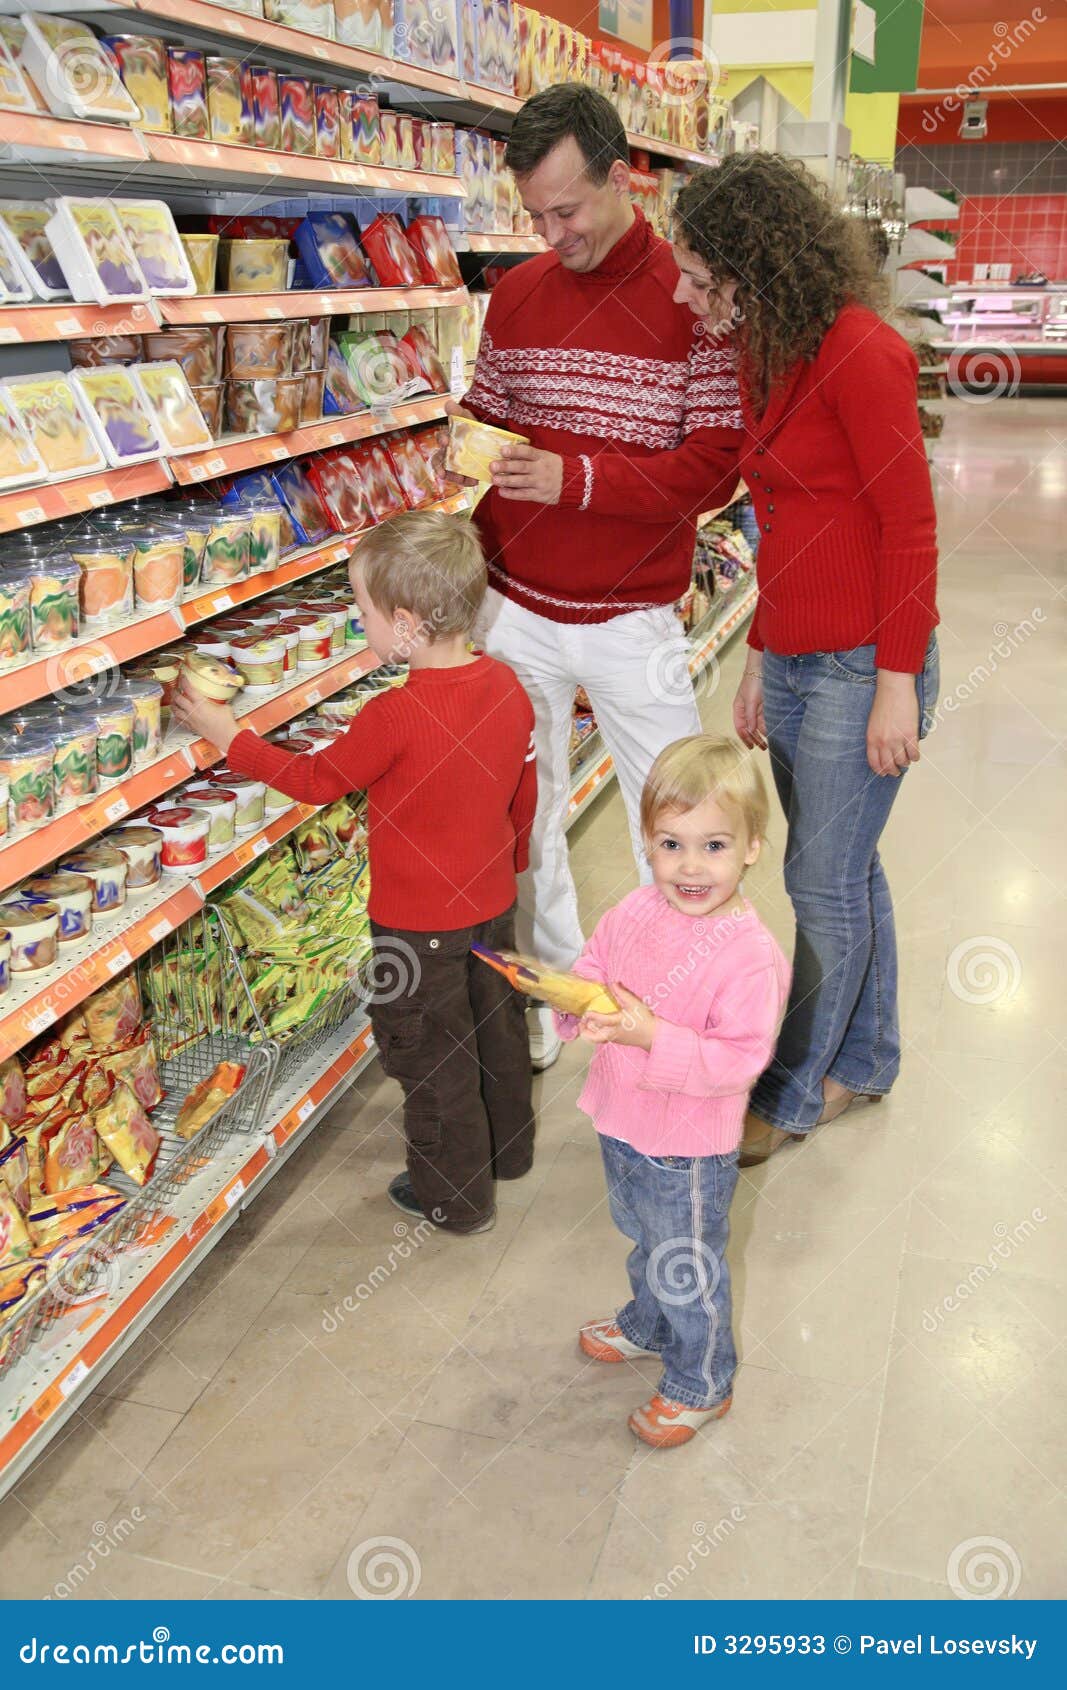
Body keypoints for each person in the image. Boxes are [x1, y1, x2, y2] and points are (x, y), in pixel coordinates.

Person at [450, 83, 743, 1072]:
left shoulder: (687, 294)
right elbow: (484, 433)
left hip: (632, 617)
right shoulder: (519, 292)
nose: (551, 232)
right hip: (513, 608)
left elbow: (713, 464)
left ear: (622, 179)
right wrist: (458, 480)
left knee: (683, 827)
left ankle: (683, 1024)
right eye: (535, 214)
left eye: (566, 210)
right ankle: (552, 1006)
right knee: (520, 822)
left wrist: (573, 479)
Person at [670, 154, 941, 1166]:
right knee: (843, 869)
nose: (682, 293)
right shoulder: (770, 348)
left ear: (758, 264)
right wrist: (753, 658)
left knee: (817, 881)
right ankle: (862, 1060)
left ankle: (785, 1094)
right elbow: (782, 524)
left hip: (863, 666)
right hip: (793, 657)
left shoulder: (862, 353)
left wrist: (895, 680)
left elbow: (907, 528)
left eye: (700, 275)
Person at [172, 510, 538, 1235]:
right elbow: (521, 798)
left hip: (417, 926)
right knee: (495, 1030)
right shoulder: (506, 685)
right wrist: (510, 867)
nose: (358, 621)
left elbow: (314, 779)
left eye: (361, 609)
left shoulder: (394, 715)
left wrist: (229, 737)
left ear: (404, 623)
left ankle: (453, 1196)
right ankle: (507, 1153)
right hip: (491, 903)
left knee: (433, 1059)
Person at [556, 736, 789, 1448]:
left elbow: (738, 1060)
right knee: (642, 1235)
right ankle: (650, 1323)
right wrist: (567, 998)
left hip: (687, 1146)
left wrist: (653, 1035)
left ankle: (701, 1378)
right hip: (622, 1119)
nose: (691, 866)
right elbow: (593, 968)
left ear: (751, 847)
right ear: (646, 842)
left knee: (685, 1260)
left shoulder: (750, 956)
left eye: (714, 845)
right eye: (671, 843)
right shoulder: (633, 909)